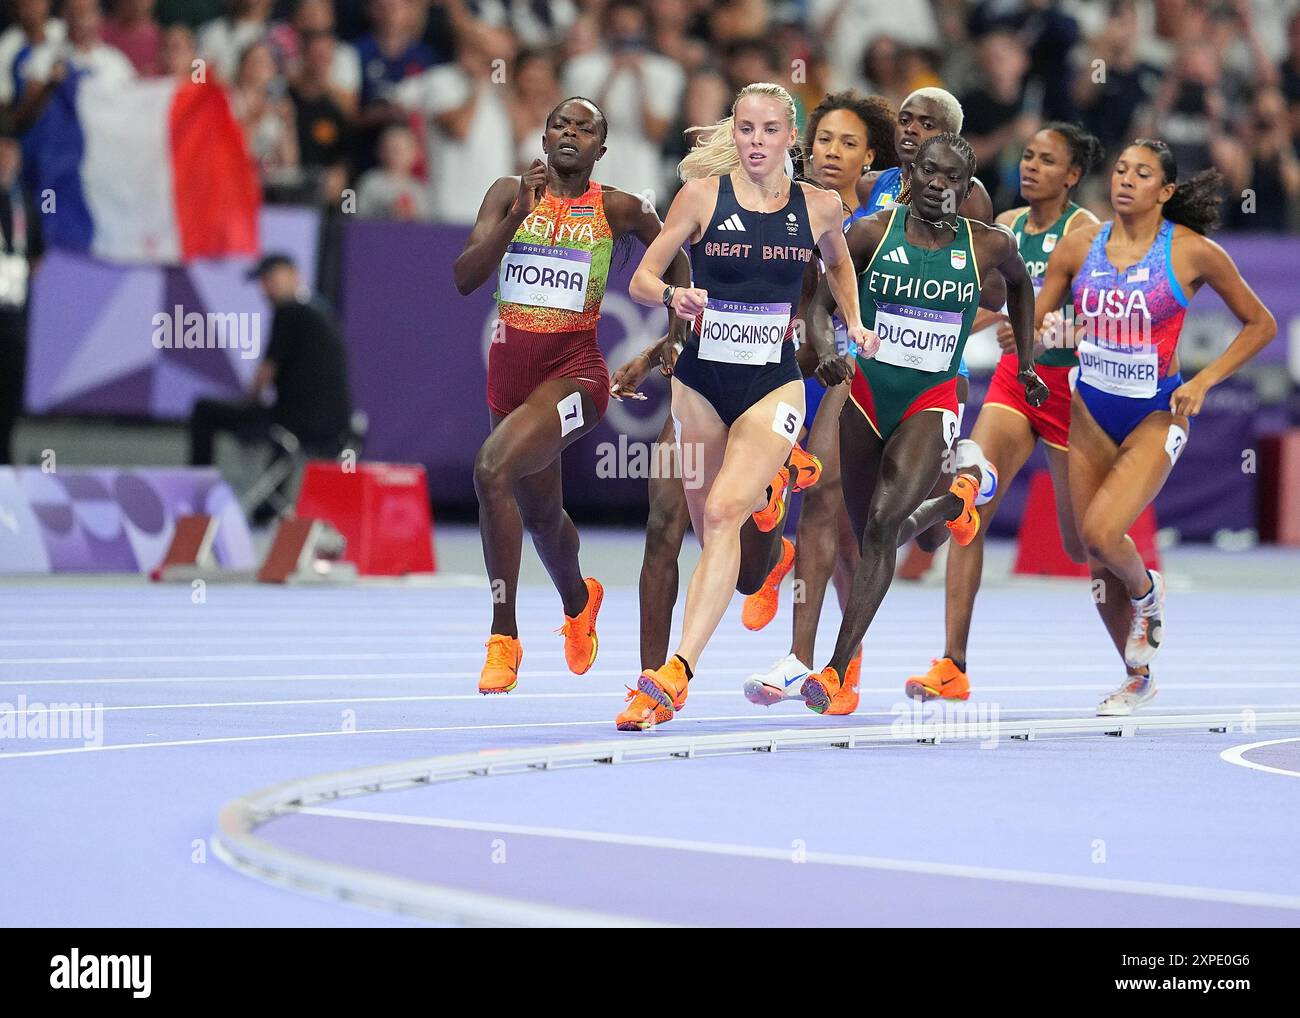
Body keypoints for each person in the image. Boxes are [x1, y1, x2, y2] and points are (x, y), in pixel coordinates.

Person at [614, 81, 867, 731]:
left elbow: (839, 265)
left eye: (769, 131)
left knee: (724, 512)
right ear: (736, 132)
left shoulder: (819, 207)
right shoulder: (700, 197)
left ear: (790, 138)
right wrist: (673, 300)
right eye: (746, 129)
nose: (757, 142)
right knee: (733, 556)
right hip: (698, 386)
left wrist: (855, 321)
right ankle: (769, 523)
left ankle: (674, 675)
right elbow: (645, 276)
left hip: (770, 386)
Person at [800, 133, 1049, 714]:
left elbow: (1021, 286)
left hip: (931, 398)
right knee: (878, 536)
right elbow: (818, 299)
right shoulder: (869, 233)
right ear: (909, 175)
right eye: (928, 172)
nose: (939, 183)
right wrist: (825, 347)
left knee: (885, 527)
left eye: (952, 177)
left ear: (968, 188)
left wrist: (1029, 361)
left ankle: (836, 670)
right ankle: (953, 507)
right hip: (865, 393)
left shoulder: (988, 244)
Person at [453, 96, 691, 696]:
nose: (570, 134)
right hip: (508, 377)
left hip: (577, 376)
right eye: (559, 123)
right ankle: (580, 601)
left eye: (584, 129)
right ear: (543, 134)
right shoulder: (507, 193)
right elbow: (464, 277)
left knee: (489, 470)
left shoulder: (621, 208)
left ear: (600, 149)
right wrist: (516, 218)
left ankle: (503, 635)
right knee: (540, 517)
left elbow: (679, 267)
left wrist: (672, 339)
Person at [1033, 138, 1275, 716]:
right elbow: (1038, 315)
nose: (1125, 180)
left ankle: (1146, 591)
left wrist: (1205, 380)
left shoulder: (1192, 252)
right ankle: (1136, 675)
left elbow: (1260, 324)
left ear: (1165, 191)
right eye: (1120, 170)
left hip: (1156, 412)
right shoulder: (1079, 246)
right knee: (1092, 561)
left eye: (1142, 174)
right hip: (1090, 408)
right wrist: (1029, 332)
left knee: (1100, 533)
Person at [906, 123, 1102, 703]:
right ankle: (952, 664)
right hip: (1018, 385)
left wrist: (1048, 329)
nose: (1030, 166)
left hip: (1069, 390)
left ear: (1072, 176)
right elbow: (988, 306)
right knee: (972, 503)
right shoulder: (1006, 229)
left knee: (1079, 544)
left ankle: (1138, 589)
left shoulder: (1086, 233)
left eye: (1047, 160)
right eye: (1028, 156)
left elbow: (1104, 319)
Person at [742, 89, 898, 713]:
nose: (832, 152)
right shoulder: (789, 202)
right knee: (835, 533)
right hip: (799, 359)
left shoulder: (893, 210)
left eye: (849, 143)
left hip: (864, 368)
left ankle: (811, 660)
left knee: (826, 498)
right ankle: (834, 664)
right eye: (825, 139)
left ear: (872, 159)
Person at [855, 87, 999, 579]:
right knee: (859, 513)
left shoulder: (971, 196)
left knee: (931, 532)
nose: (912, 129)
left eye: (928, 124)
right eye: (906, 118)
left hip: (937, 373)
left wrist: (931, 308)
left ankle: (970, 472)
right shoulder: (871, 185)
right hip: (869, 364)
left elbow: (992, 290)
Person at [188, 253, 352, 510]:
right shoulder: (322, 312)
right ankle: (269, 506)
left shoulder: (288, 311)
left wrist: (248, 402)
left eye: (272, 277)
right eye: (263, 281)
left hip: (297, 424)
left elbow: (265, 374)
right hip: (335, 428)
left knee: (205, 409)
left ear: (294, 275)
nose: (266, 287)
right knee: (284, 429)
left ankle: (196, 494)